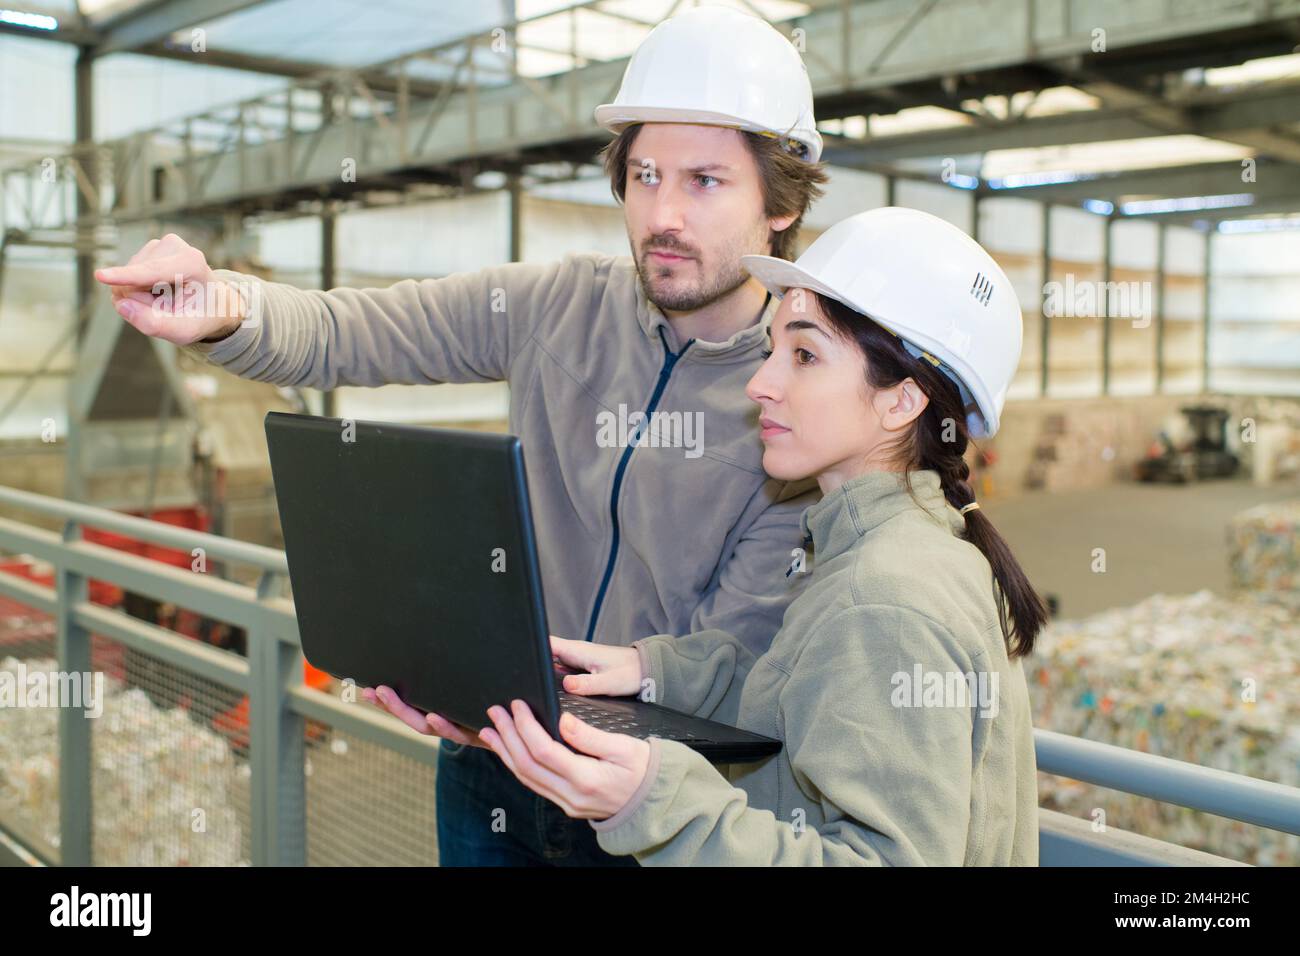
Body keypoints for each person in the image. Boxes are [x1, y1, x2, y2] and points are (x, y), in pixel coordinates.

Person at [93, 6, 829, 866]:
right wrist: (225, 306)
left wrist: (585, 721)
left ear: (779, 205)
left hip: (653, 799)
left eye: (705, 181)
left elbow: (733, 655)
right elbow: (351, 330)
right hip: (491, 771)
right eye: (644, 174)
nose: (662, 213)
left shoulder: (801, 391)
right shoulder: (555, 308)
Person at [474, 207, 1047, 865]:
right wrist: (653, 672)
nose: (761, 383)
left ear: (902, 401)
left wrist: (660, 803)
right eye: (774, 347)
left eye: (804, 354)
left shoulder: (884, 595)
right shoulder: (901, 547)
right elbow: (804, 692)